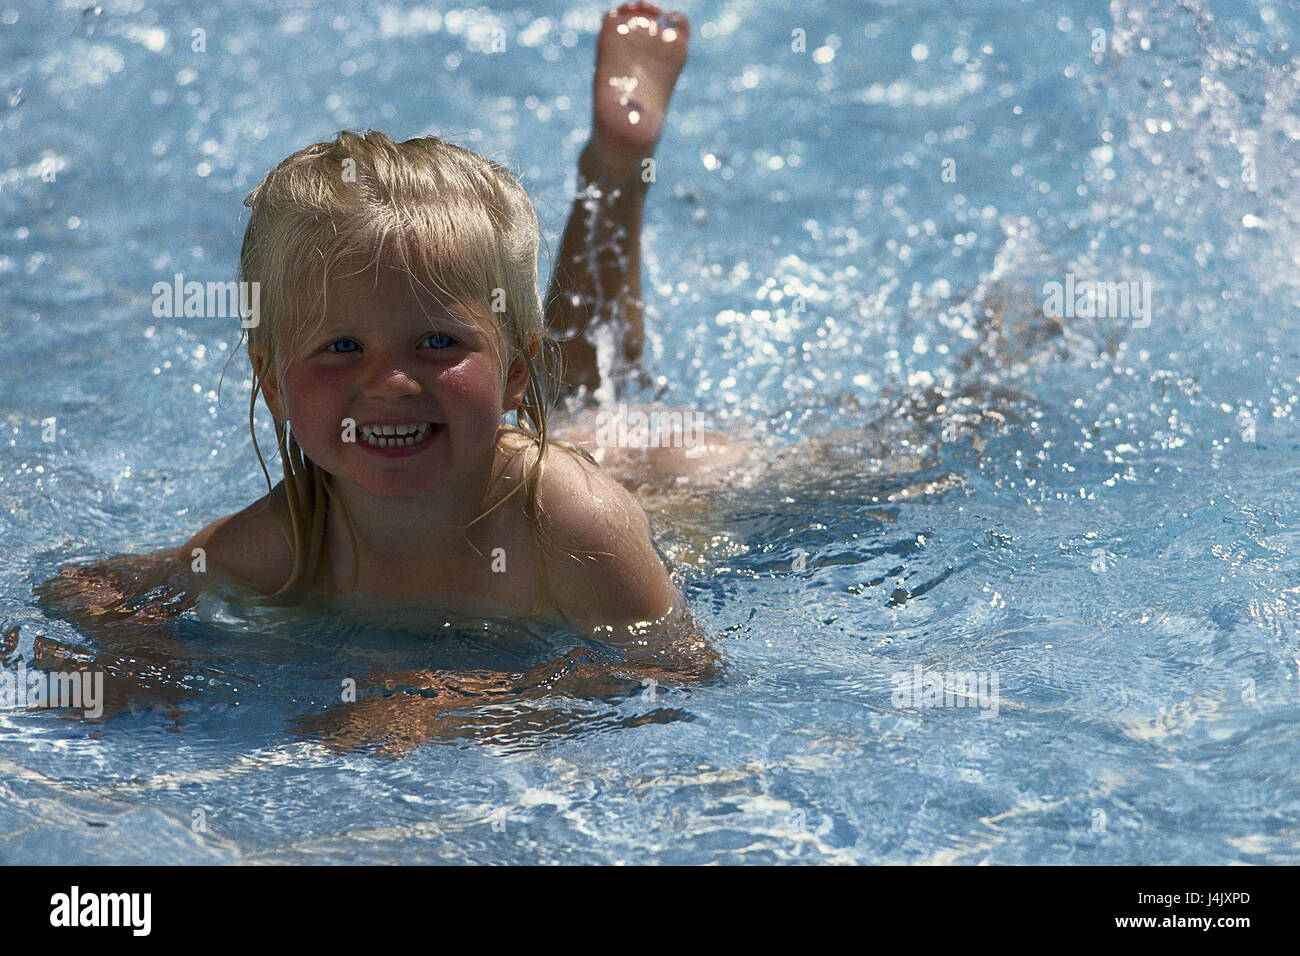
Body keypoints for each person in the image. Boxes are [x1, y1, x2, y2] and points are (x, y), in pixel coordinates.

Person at [183, 2, 698, 637]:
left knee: (602, 401)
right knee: (577, 387)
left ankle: (616, 172)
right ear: (270, 384)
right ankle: (611, 169)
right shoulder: (280, 546)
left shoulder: (573, 524)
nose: (391, 382)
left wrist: (453, 704)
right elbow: (102, 598)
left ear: (513, 372)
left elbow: (673, 682)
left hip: (668, 483)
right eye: (341, 345)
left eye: (435, 340)